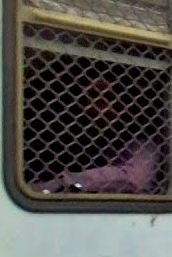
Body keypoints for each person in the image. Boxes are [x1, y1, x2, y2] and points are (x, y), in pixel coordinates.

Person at [31, 73, 164, 195]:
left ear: (122, 105)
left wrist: (70, 181)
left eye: (107, 97)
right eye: (93, 95)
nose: (98, 104)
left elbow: (135, 179)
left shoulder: (141, 139)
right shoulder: (77, 135)